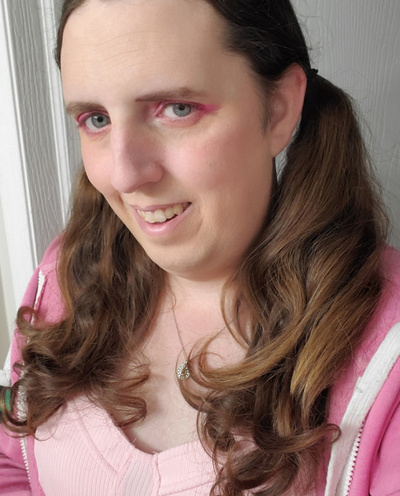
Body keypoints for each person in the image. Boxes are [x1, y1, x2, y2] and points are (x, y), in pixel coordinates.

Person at [1, 0, 400, 494]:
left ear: (278, 109)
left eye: (177, 109)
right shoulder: (65, 274)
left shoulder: (386, 359)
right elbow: (12, 462)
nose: (124, 176)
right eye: (96, 119)